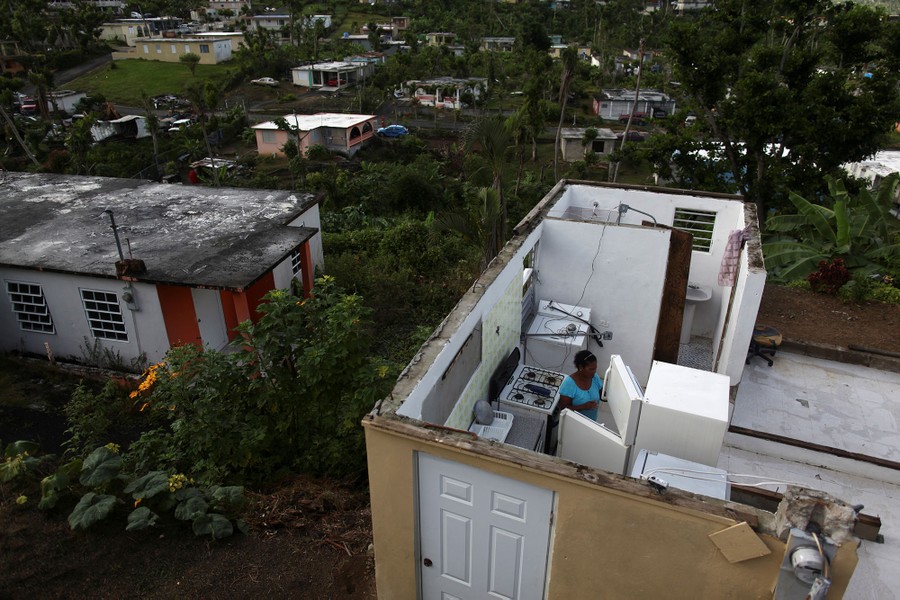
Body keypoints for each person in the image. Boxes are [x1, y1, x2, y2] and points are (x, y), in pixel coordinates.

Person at [558, 350, 603, 421]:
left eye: (595, 368)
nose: (594, 372)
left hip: (592, 422)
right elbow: (563, 408)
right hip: (574, 423)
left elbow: (601, 393)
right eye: (591, 369)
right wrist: (584, 406)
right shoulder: (569, 383)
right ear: (581, 367)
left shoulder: (595, 377)